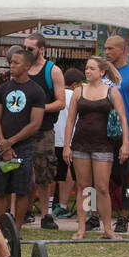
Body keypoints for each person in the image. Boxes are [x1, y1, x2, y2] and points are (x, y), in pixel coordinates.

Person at [62, 56, 129, 240]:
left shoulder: (112, 92)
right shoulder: (78, 91)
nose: (88, 71)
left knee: (101, 187)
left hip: (103, 144)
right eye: (86, 68)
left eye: (92, 68)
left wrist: (125, 143)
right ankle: (82, 227)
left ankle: (108, 228)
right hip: (81, 143)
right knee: (84, 187)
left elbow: (123, 118)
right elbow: (70, 121)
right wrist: (67, 145)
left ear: (102, 72)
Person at [0, 48, 47, 230]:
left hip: (23, 148)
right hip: (2, 146)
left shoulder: (36, 91)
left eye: (16, 63)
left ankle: (17, 230)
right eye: (11, 62)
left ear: (27, 66)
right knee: (1, 190)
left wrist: (11, 142)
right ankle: (1, 229)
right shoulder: (3, 89)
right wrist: (3, 144)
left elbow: (35, 124)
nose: (11, 66)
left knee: (22, 190)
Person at [21, 33, 66, 229]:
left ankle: (46, 214)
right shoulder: (21, 68)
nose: (26, 52)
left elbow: (61, 102)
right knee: (22, 171)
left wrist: (39, 108)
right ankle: (24, 211)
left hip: (43, 129)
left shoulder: (52, 70)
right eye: (24, 48)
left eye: (30, 49)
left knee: (44, 172)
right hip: (21, 129)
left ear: (41, 49)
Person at [103, 33, 129, 231]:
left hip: (123, 132)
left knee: (127, 175)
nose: (107, 52)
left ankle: (123, 217)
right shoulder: (102, 74)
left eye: (110, 48)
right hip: (101, 132)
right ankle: (95, 215)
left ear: (122, 50)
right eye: (105, 48)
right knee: (97, 175)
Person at [53, 67, 83, 219]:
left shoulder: (55, 94)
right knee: (84, 178)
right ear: (75, 84)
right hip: (73, 140)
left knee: (61, 176)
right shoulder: (76, 95)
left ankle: (61, 205)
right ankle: (89, 210)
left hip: (57, 140)